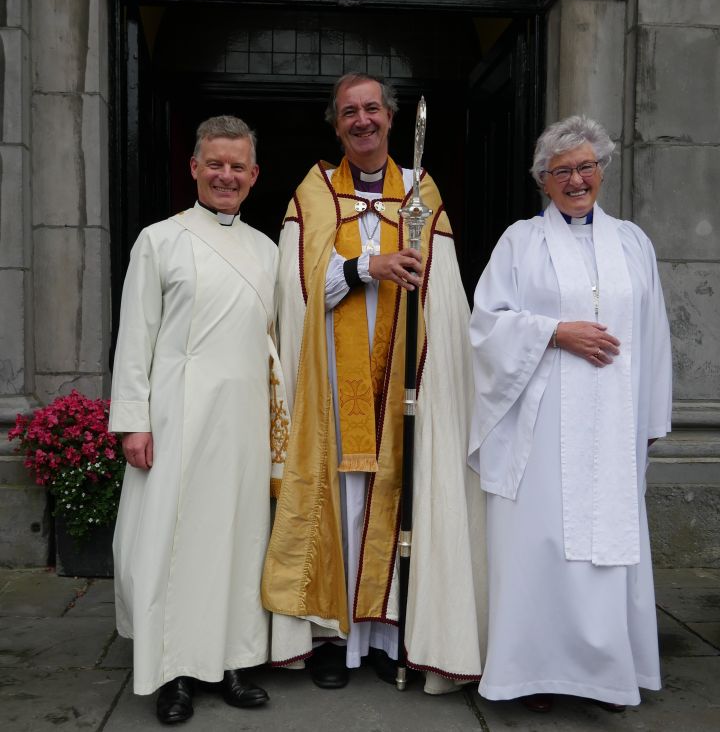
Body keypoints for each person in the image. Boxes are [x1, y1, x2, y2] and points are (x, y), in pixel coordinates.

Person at [262, 74, 486, 693]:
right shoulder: (312, 194)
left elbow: (445, 290)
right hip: (332, 383)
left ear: (390, 119)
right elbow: (295, 286)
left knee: (397, 497)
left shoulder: (421, 191)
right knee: (341, 503)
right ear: (336, 127)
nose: (362, 121)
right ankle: (333, 637)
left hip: (403, 378)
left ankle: (386, 635)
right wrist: (367, 266)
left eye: (372, 110)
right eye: (348, 113)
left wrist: (434, 360)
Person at [468, 115, 672, 713]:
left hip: (613, 423)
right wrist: (555, 332)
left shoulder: (633, 242)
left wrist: (652, 418)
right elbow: (486, 323)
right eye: (562, 171)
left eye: (586, 167)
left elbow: (655, 332)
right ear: (543, 181)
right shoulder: (519, 242)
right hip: (541, 422)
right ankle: (534, 672)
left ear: (602, 170)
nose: (576, 179)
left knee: (609, 548)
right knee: (542, 545)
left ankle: (606, 674)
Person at [110, 116, 290, 724]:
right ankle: (175, 672)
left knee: (240, 541)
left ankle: (236, 660)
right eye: (215, 163)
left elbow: (276, 348)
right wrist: (134, 421)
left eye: (238, 166)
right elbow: (136, 338)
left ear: (254, 175)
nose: (226, 175)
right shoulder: (159, 240)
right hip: (178, 416)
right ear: (194, 167)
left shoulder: (268, 251)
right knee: (176, 544)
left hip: (242, 423)